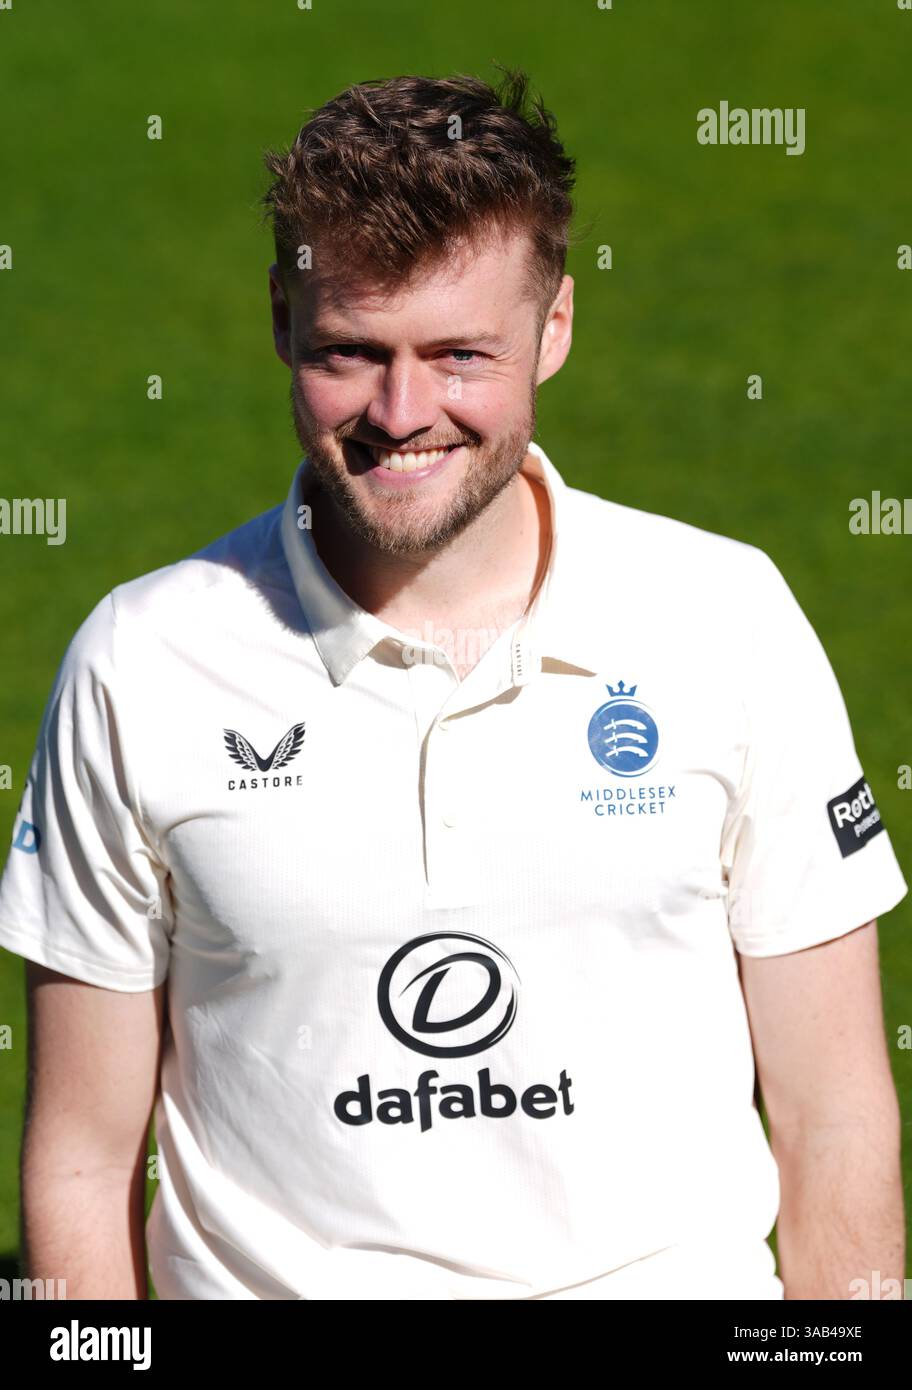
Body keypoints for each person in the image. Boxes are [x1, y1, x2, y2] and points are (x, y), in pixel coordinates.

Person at [0, 71, 906, 1301]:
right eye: (349, 353)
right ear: (280, 318)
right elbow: (81, 1160)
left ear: (557, 327)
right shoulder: (143, 660)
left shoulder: (726, 618)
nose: (401, 412)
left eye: (459, 354)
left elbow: (835, 1114)